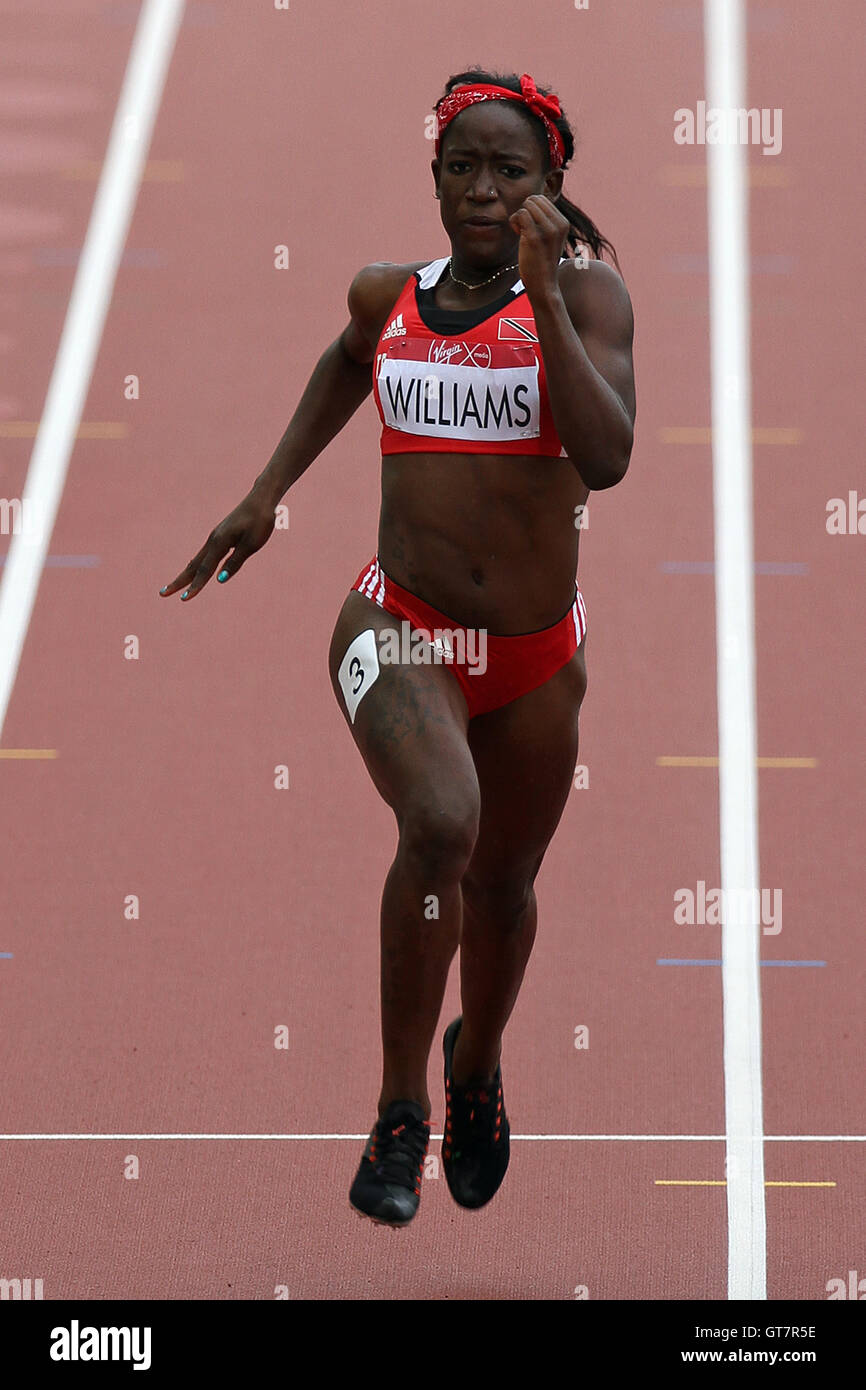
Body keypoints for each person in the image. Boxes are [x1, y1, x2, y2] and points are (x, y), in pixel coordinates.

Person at [161, 67, 635, 1228]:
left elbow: (608, 455)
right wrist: (263, 492)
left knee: (504, 889)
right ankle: (397, 1107)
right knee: (437, 824)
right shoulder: (392, 295)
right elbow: (344, 362)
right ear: (432, 178)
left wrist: (546, 296)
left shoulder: (591, 296)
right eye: (460, 167)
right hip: (398, 626)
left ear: (550, 185)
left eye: (508, 171)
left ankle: (476, 1067)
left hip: (529, 655)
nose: (481, 189)